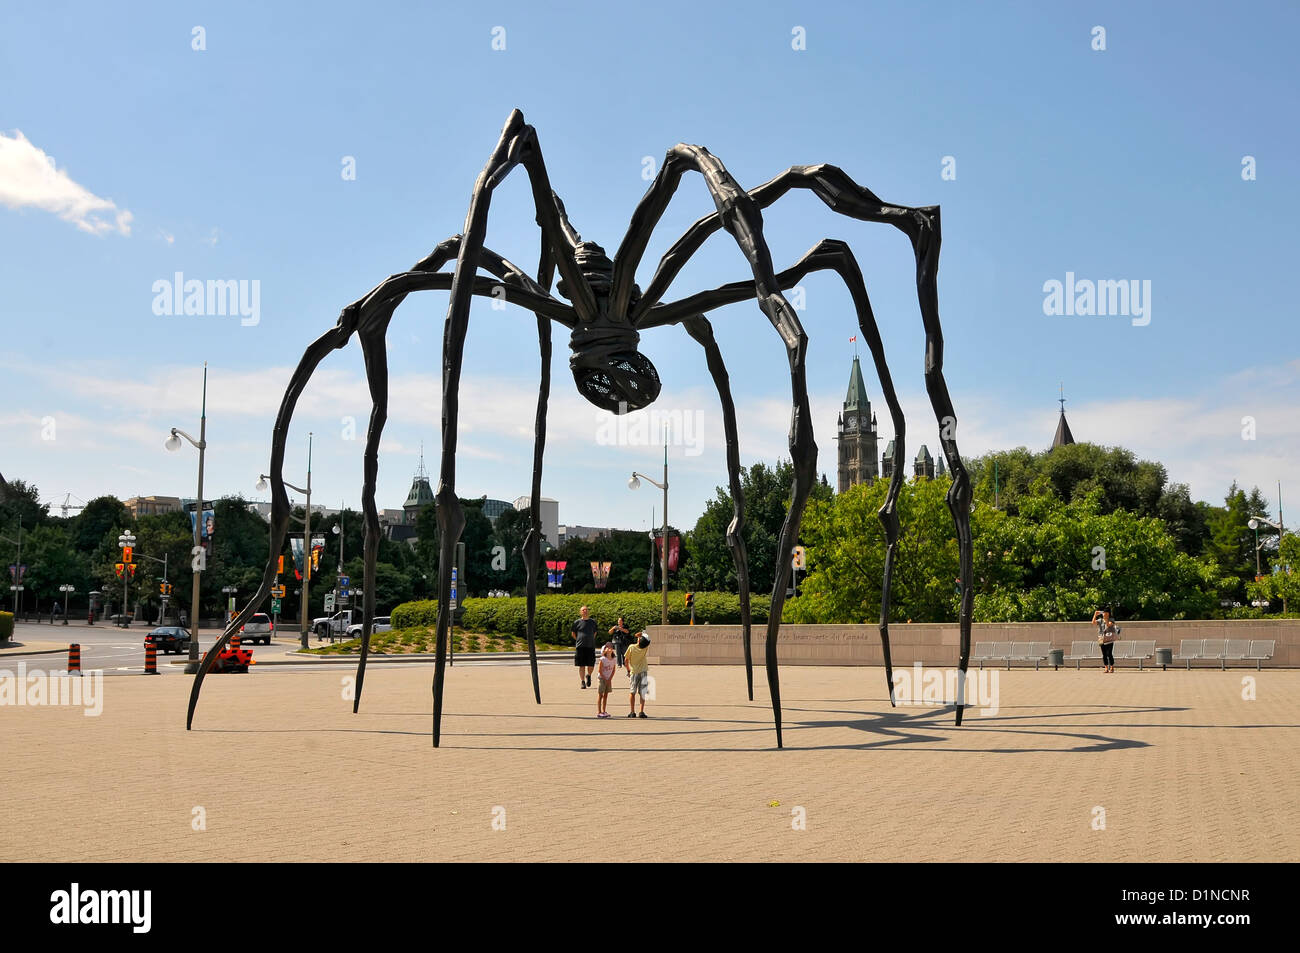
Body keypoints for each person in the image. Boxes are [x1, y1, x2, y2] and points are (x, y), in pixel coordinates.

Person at [624, 632, 651, 718]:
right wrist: (642, 635)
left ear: (639, 640)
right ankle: (641, 711)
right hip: (643, 671)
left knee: (632, 692)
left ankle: (632, 712)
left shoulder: (631, 647)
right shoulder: (645, 648)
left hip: (634, 672)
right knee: (642, 692)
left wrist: (628, 669)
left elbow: (626, 660)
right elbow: (646, 639)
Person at [571, 605, 597, 689]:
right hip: (580, 646)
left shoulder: (593, 622)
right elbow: (573, 634)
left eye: (586, 610)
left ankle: (588, 675)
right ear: (580, 612)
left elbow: (595, 633)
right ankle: (582, 682)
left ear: (588, 612)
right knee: (581, 665)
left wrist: (590, 639)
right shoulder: (576, 622)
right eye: (583, 610)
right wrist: (579, 639)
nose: (585, 611)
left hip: (590, 646)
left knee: (591, 665)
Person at [1091, 607, 1120, 673]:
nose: (1103, 614)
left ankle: (1112, 667)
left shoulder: (1111, 619)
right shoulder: (1100, 620)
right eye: (1103, 612)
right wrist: (1095, 614)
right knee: (1104, 654)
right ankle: (1106, 667)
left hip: (1109, 637)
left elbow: (1108, 624)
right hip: (1101, 637)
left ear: (1108, 613)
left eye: (1105, 613)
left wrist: (1106, 618)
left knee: (1109, 653)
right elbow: (1093, 622)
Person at [595, 643, 617, 717]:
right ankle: (599, 711)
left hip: (608, 679)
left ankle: (604, 711)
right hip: (602, 678)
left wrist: (610, 679)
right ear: (604, 650)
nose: (609, 648)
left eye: (611, 647)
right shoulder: (602, 659)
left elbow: (613, 670)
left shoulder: (614, 659)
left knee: (606, 695)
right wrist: (605, 679)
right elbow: (600, 671)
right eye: (607, 647)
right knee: (600, 695)